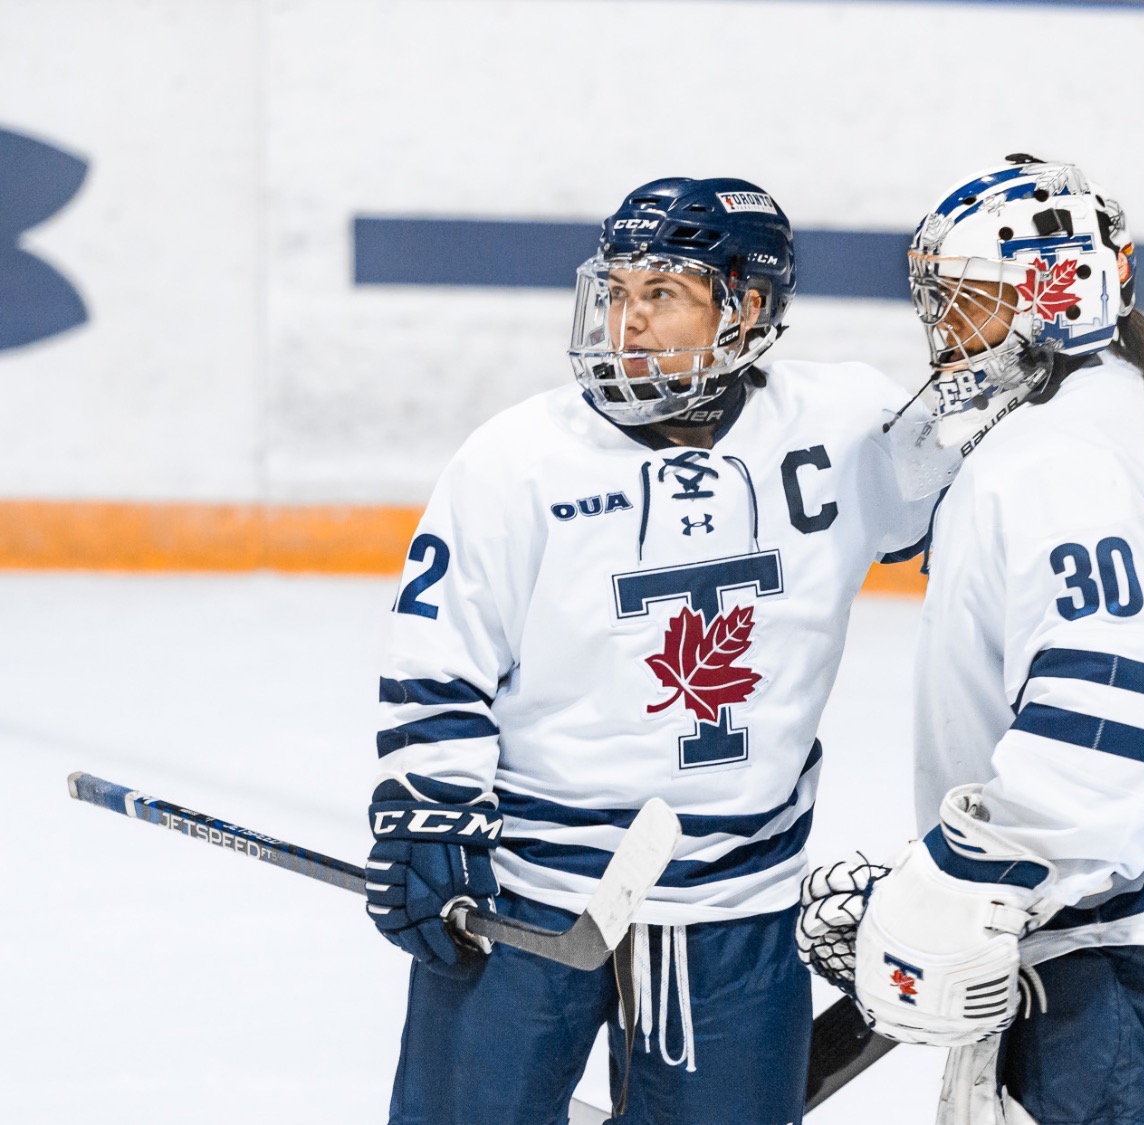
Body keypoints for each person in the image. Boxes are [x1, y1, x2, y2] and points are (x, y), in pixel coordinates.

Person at [362, 176, 942, 1124]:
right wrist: (431, 811)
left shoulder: (848, 426)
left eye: (662, 294)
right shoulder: (516, 459)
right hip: (527, 894)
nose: (626, 322)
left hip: (735, 906)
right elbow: (438, 656)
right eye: (617, 291)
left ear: (746, 307)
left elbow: (1001, 515)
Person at [798, 156, 1144, 1124]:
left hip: (1121, 936)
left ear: (1054, 295)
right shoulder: (1130, 404)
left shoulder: (1054, 459)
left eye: (967, 299)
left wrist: (967, 879)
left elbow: (1117, 703)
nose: (942, 328)